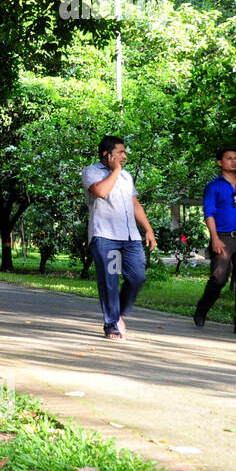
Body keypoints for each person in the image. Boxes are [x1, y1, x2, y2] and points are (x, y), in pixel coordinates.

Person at [82, 135, 157, 339]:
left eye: (124, 152)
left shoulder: (126, 176)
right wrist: (115, 171)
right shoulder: (92, 171)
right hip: (106, 237)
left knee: (137, 277)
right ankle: (111, 323)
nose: (124, 156)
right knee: (110, 280)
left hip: (130, 237)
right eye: (120, 152)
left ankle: (119, 313)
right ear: (107, 155)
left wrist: (148, 229)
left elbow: (135, 204)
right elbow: (100, 191)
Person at [193, 148, 236, 336]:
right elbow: (209, 213)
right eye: (229, 158)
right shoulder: (213, 186)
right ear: (220, 163)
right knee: (219, 277)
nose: (233, 161)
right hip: (222, 238)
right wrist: (214, 238)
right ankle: (202, 309)